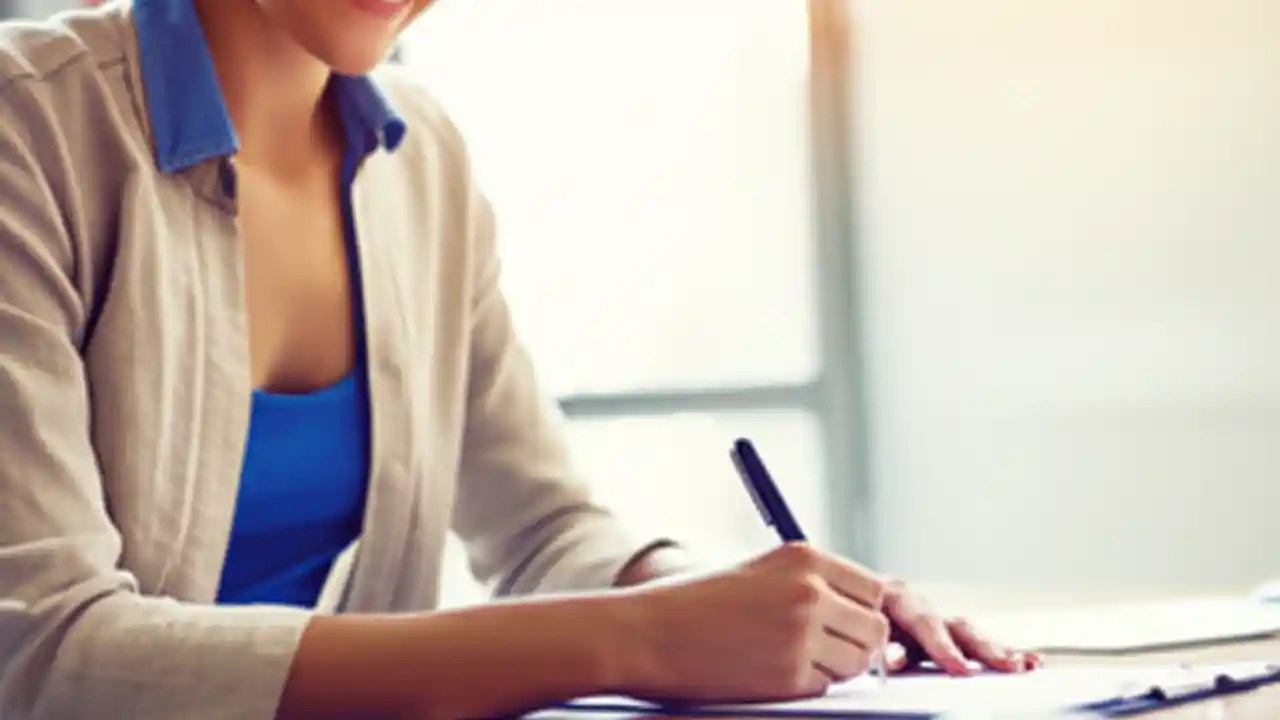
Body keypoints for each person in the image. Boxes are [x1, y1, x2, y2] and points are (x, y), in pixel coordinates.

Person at [0, 1, 1039, 718]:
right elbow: (47, 655)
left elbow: (542, 530)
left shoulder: (424, 160)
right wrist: (638, 639)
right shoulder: (29, 131)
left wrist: (764, 605)